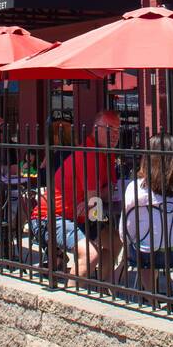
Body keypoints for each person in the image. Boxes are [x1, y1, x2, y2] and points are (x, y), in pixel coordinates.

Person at [29, 109, 122, 281]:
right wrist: (95, 200)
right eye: (110, 129)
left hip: (77, 218)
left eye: (117, 130)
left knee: (116, 241)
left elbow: (108, 192)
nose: (115, 134)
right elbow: (96, 207)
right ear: (95, 128)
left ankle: (103, 287)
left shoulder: (107, 153)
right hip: (49, 218)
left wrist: (94, 199)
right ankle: (73, 295)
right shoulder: (89, 153)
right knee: (90, 255)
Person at [121, 134, 173, 295]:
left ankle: (151, 298)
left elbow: (125, 230)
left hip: (149, 254)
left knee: (143, 247)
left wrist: (129, 243)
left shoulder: (136, 188)